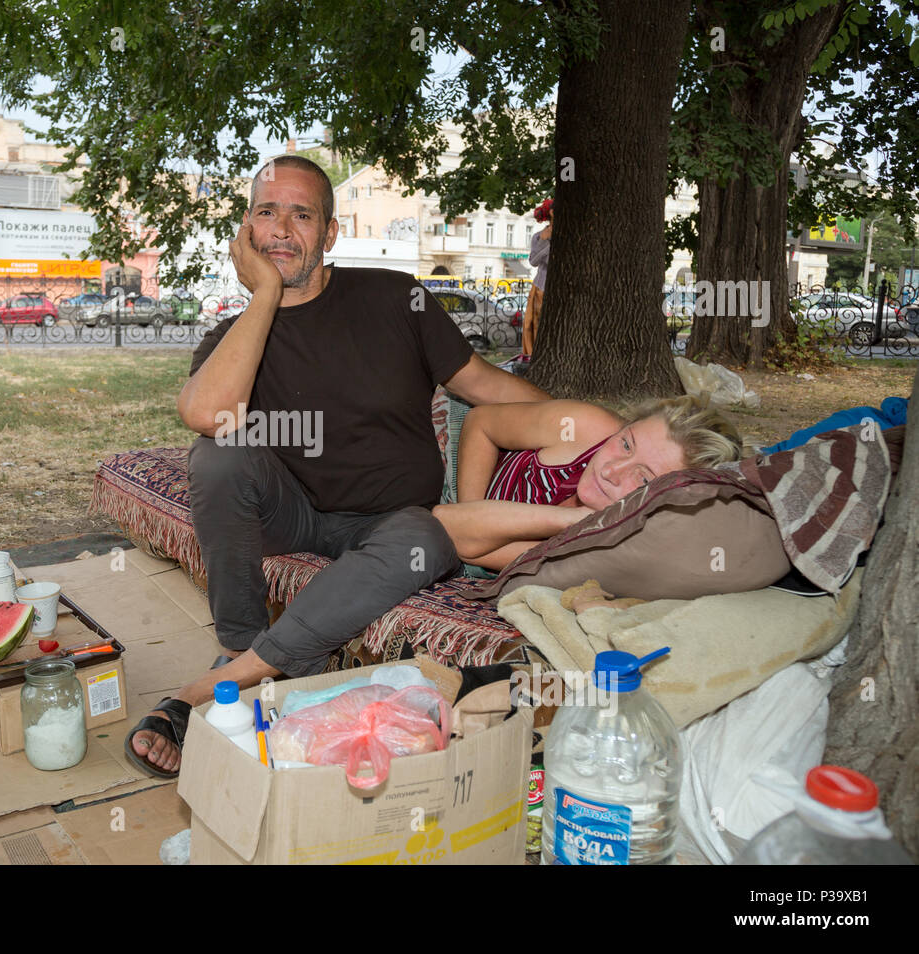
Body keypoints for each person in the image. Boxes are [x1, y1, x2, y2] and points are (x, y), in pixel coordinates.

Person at [124, 154, 549, 779]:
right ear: (246, 229)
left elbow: (483, 383)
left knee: (427, 536)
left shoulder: (390, 298)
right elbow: (205, 416)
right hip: (293, 515)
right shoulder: (239, 333)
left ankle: (221, 688)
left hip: (394, 524)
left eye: (302, 214)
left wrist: (587, 426)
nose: (282, 230)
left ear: (329, 234)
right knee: (219, 455)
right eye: (267, 212)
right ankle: (237, 650)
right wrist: (266, 295)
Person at [433, 395, 745, 570]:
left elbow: (454, 534)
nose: (611, 470)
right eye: (626, 443)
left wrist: (575, 520)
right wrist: (472, 509)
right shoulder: (587, 427)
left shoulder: (609, 545)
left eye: (643, 478)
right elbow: (481, 422)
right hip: (454, 443)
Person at [521, 199, 552, 363]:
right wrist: (546, 242)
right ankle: (533, 357)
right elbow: (533, 261)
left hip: (557, 288)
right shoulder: (538, 236)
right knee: (532, 324)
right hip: (540, 287)